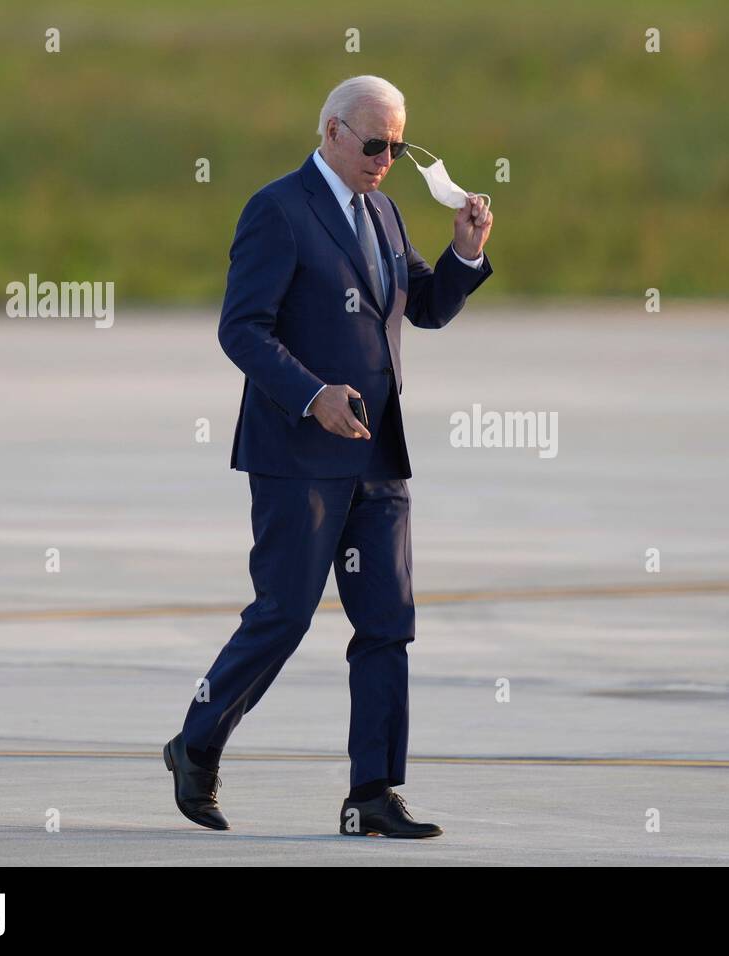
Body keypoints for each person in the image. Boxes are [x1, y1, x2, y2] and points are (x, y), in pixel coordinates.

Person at [163, 74, 493, 838]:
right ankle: (196, 742)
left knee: (387, 622)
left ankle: (372, 794)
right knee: (283, 615)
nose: (386, 158)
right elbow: (242, 330)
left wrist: (464, 257)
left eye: (399, 146)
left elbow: (427, 306)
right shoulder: (277, 210)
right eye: (374, 144)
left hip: (378, 455)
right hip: (298, 456)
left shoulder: (382, 208)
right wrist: (313, 395)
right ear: (333, 133)